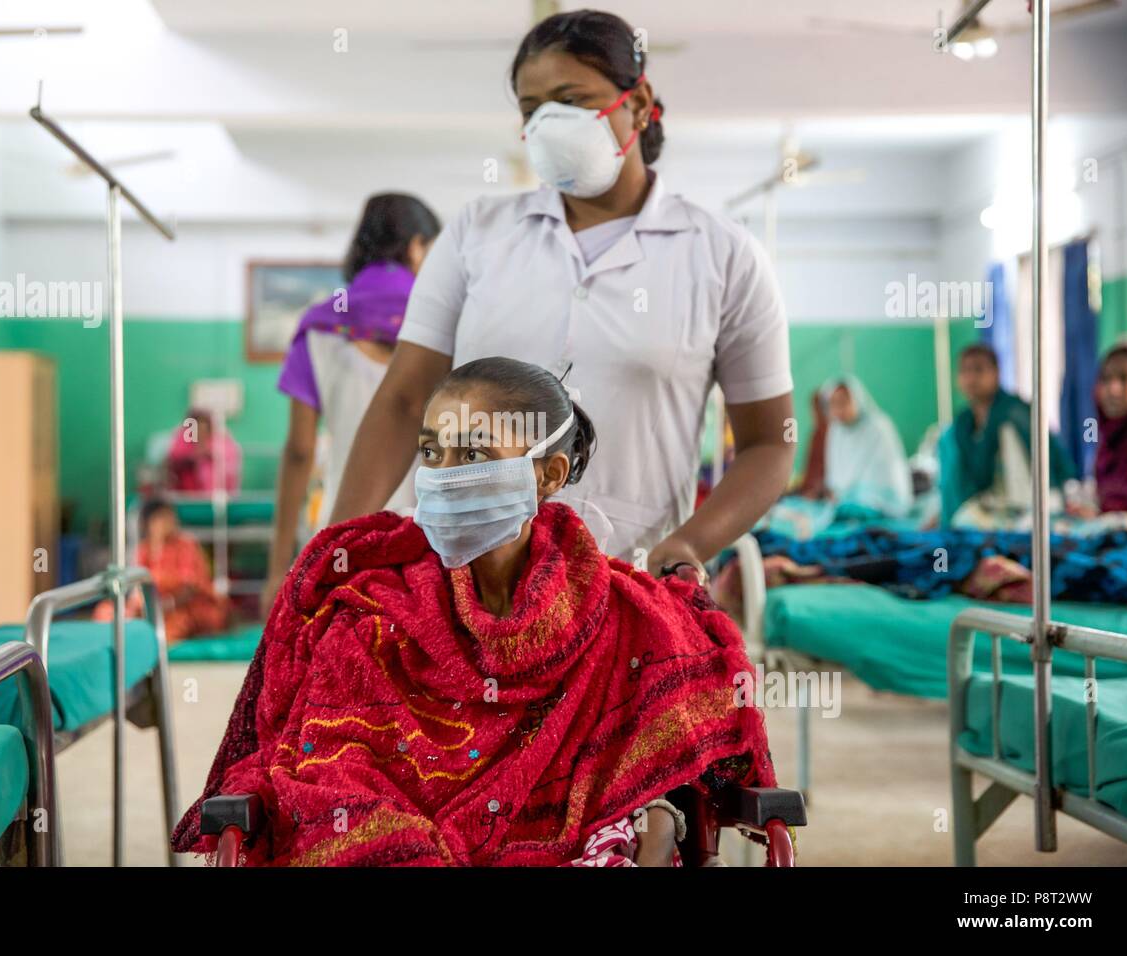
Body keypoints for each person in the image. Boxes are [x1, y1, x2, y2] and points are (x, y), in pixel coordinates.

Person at [172, 358, 776, 867]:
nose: (441, 476)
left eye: (474, 452)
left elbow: (703, 710)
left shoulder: (622, 615)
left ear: (547, 475)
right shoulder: (371, 613)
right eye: (432, 450)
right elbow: (326, 771)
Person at [324, 10, 794, 577]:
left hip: (629, 576)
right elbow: (404, 400)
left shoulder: (723, 255)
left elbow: (770, 444)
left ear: (639, 105)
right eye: (531, 110)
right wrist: (338, 547)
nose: (549, 123)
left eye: (571, 101)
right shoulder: (478, 234)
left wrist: (693, 543)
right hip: (465, 576)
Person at [263, 193, 441, 608]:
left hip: (345, 534)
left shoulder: (319, 327)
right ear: (416, 246)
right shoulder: (441, 324)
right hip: (429, 539)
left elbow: (299, 452)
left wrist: (277, 570)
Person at [938, 343, 1075, 528]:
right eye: (965, 371)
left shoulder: (1014, 414)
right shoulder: (962, 423)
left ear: (996, 373)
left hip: (1030, 503)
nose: (971, 378)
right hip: (991, 502)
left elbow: (1031, 481)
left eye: (978, 370)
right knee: (960, 520)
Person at [94, 498, 229, 642]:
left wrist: (167, 605)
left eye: (170, 517)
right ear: (148, 524)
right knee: (106, 612)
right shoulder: (143, 550)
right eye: (161, 518)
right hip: (153, 607)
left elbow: (190, 588)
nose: (168, 522)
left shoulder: (185, 545)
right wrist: (140, 608)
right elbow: (138, 590)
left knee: (172, 626)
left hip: (186, 607)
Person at [819, 376, 913, 519]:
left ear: (857, 399)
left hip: (881, 500)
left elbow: (887, 475)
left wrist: (860, 495)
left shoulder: (879, 427)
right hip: (846, 500)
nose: (839, 409)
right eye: (834, 404)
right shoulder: (836, 431)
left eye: (844, 402)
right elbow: (835, 479)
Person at [1093, 342, 1127, 515]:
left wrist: (1105, 511)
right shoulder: (1108, 443)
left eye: (1124, 378)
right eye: (1106, 379)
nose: (1113, 389)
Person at [165, 409, 241, 494]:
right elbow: (173, 462)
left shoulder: (222, 443)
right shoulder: (182, 441)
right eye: (196, 427)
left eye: (204, 427)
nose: (201, 431)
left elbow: (230, 470)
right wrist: (192, 458)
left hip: (215, 496)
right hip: (185, 495)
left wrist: (211, 456)